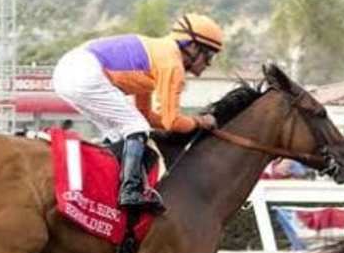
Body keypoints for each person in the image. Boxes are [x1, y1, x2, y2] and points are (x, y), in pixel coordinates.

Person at [52, 13, 223, 212]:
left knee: (119, 133)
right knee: (135, 127)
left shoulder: (159, 54)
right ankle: (130, 191)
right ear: (192, 47)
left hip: (69, 71)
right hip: (84, 72)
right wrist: (200, 122)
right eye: (209, 55)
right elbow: (171, 122)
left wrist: (183, 122)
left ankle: (105, 186)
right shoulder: (172, 64)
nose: (209, 63)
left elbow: (146, 114)